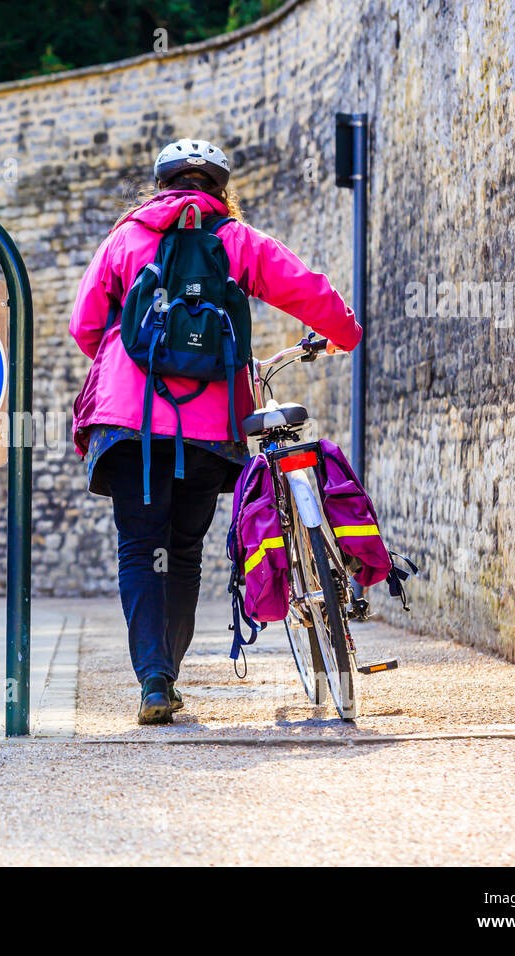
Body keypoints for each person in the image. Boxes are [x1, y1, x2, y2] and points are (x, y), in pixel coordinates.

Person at [69, 138, 363, 725]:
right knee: (182, 552)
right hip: (209, 430)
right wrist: (346, 334)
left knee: (140, 548)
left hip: (131, 429)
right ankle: (167, 673)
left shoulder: (126, 239)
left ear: (161, 186)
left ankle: (155, 681)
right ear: (220, 190)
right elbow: (304, 287)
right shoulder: (237, 242)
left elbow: (85, 325)